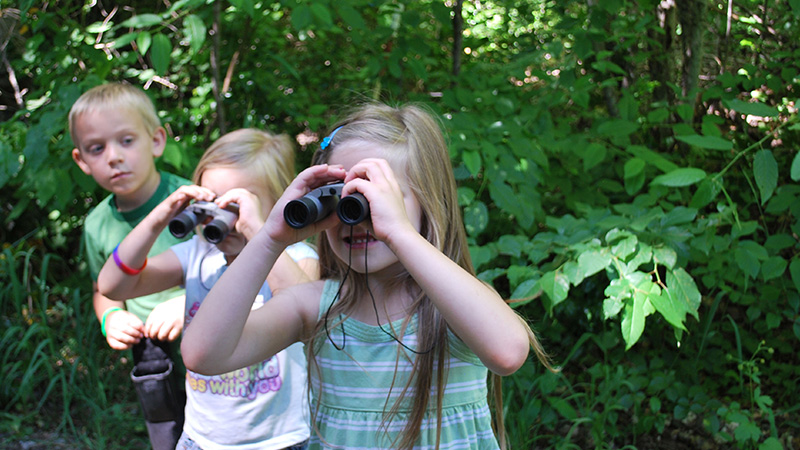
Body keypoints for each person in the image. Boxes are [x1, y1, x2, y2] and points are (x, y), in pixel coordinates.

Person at [180, 103, 553, 449]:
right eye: (339, 200)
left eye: (372, 198)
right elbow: (203, 355)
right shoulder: (314, 305)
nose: (354, 217)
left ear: (427, 204)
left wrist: (400, 232)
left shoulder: (452, 303)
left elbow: (508, 354)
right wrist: (269, 238)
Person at [98, 128, 316, 450]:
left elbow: (310, 313)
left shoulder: (297, 258)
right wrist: (158, 217)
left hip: (281, 439)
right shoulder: (197, 256)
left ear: (280, 201)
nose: (223, 215)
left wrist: (262, 232)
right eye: (212, 200)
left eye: (238, 202)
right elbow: (114, 285)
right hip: (203, 438)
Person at [69, 82, 190, 449]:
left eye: (126, 141)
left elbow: (234, 272)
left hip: (218, 352)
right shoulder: (97, 224)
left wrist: (189, 303)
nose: (113, 157)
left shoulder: (191, 200)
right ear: (82, 161)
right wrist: (111, 317)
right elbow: (102, 290)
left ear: (156, 141)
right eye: (97, 148)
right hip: (154, 360)